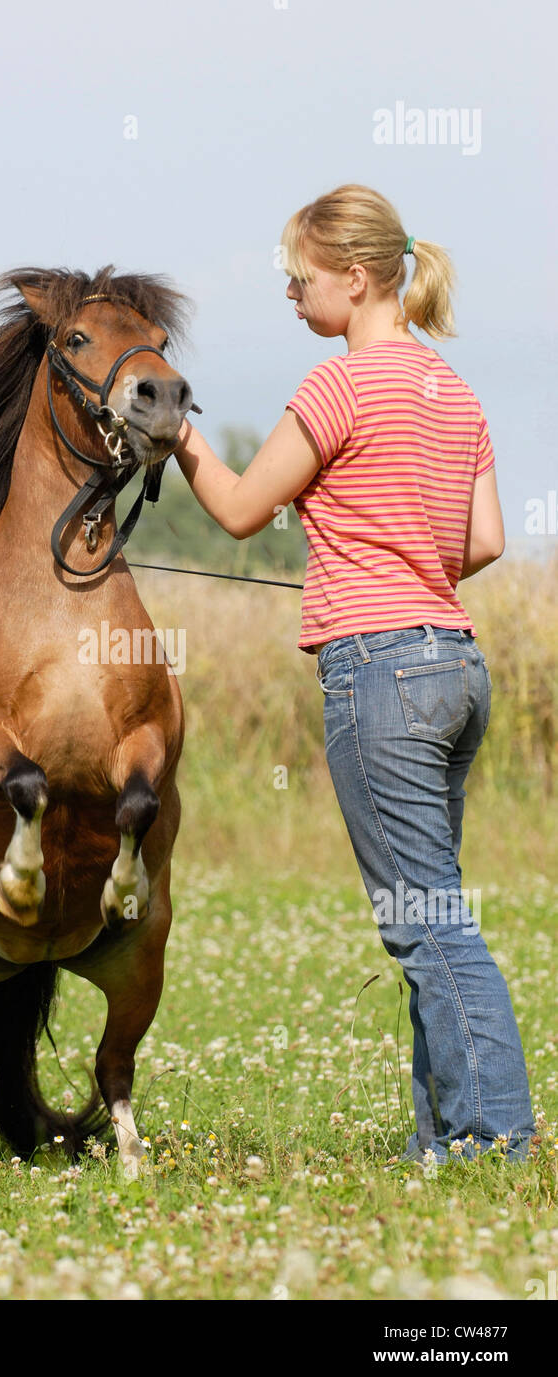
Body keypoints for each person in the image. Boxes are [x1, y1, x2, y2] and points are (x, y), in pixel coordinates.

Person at [172, 183, 535, 1165]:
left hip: (378, 674)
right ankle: (442, 1141)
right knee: (434, 909)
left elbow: (243, 509)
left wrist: (179, 438)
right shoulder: (451, 389)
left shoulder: (335, 386)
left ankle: (495, 1140)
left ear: (355, 277)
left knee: (427, 929)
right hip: (454, 666)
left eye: (299, 280)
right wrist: (403, 556)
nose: (290, 297)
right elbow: (487, 540)